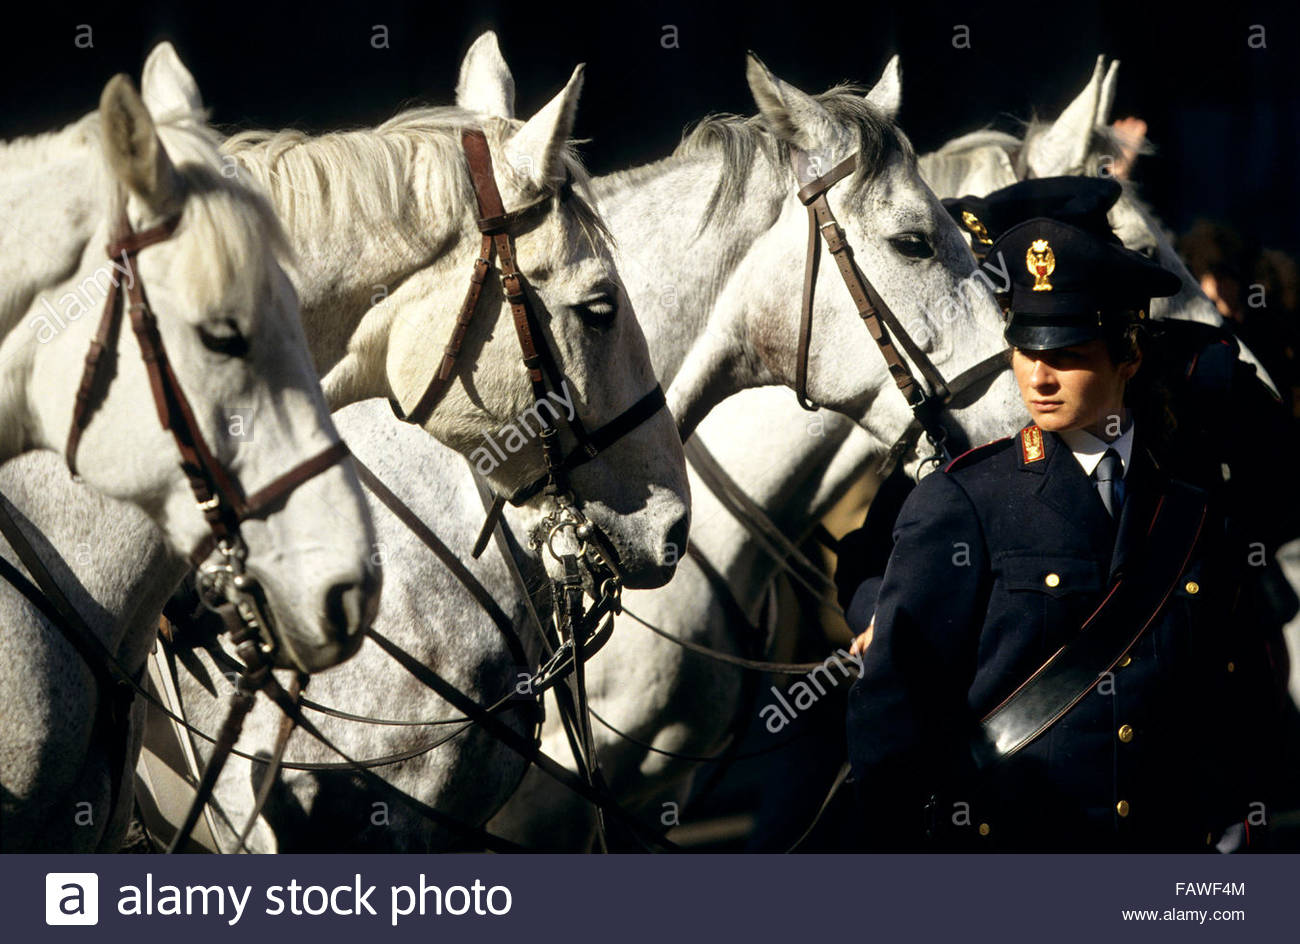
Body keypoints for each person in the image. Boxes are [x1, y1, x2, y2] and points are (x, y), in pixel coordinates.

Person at [845, 216, 1283, 851]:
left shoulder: (1190, 511)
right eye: (1026, 351)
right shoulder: (963, 501)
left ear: (1131, 354)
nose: (1038, 379)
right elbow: (892, 712)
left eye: (1067, 356)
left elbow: (1234, 695)